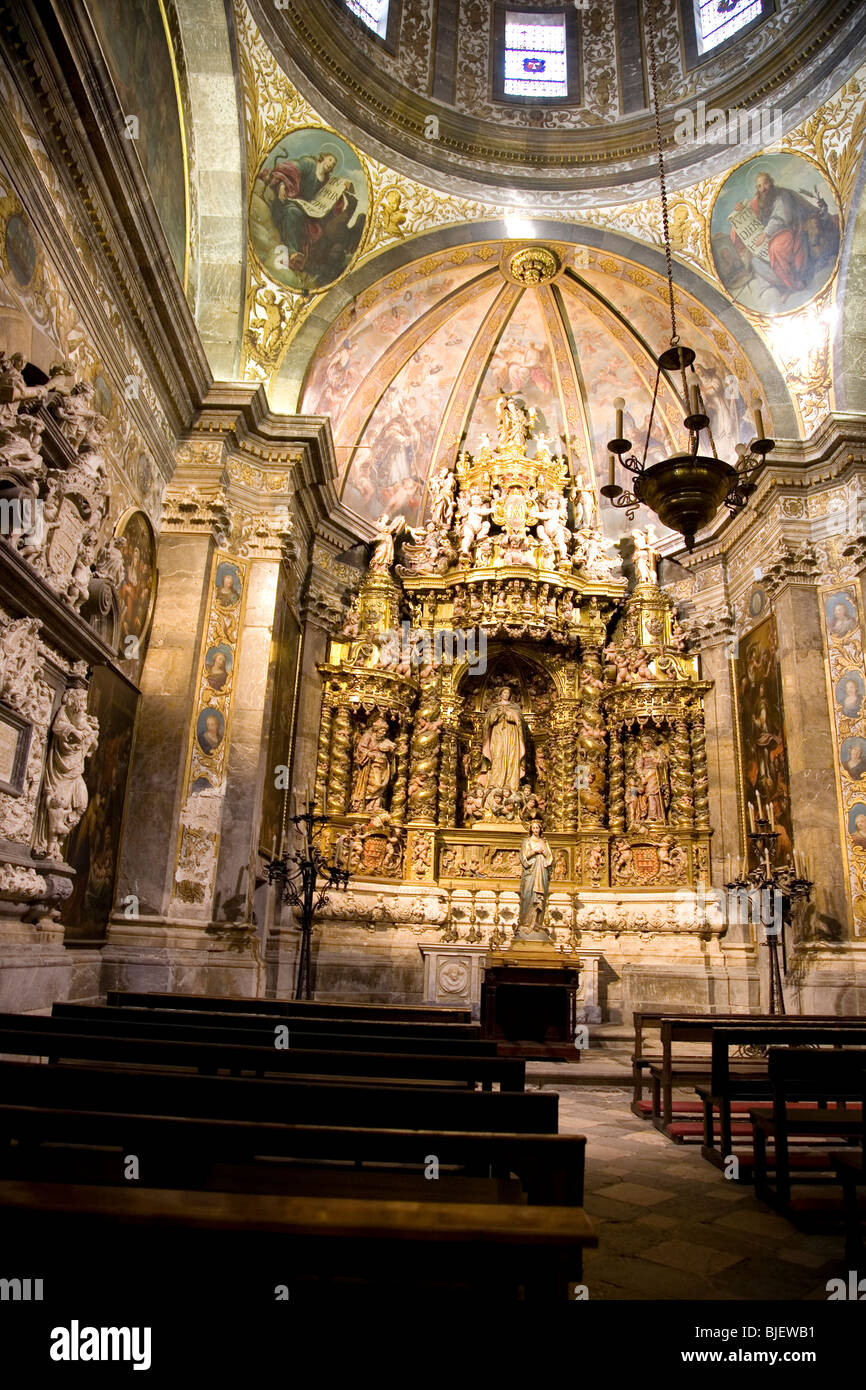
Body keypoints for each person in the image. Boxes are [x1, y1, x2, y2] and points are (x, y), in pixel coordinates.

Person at [481, 687, 528, 793]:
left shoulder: (515, 707)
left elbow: (520, 721)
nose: (506, 695)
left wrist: (509, 714)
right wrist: (497, 714)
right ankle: (495, 783)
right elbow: (487, 722)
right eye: (504, 693)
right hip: (497, 735)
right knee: (497, 757)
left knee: (511, 758)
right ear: (501, 694)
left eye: (508, 693)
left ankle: (511, 784)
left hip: (512, 735)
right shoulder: (494, 707)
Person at [517, 819, 553, 937]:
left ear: (540, 829)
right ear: (531, 829)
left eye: (537, 828)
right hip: (531, 871)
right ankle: (526, 922)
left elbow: (550, 857)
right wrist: (534, 851)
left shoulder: (544, 841)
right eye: (534, 828)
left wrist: (544, 854)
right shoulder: (527, 841)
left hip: (542, 871)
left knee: (540, 896)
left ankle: (537, 922)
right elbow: (523, 856)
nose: (536, 830)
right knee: (528, 895)